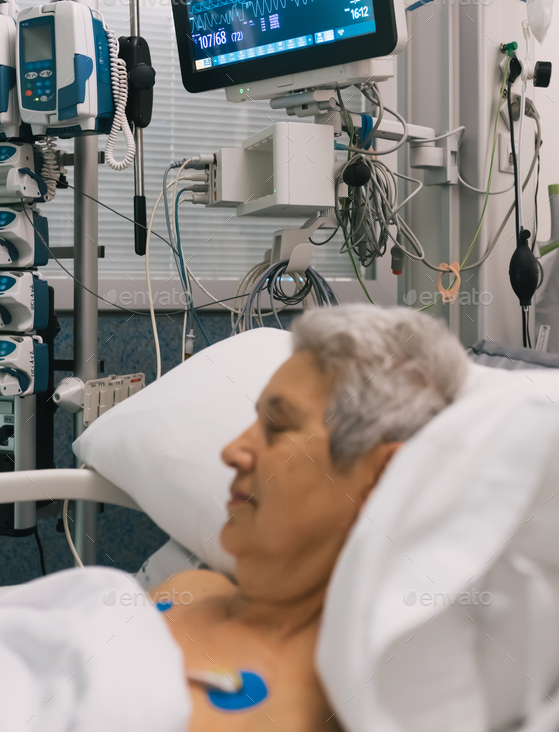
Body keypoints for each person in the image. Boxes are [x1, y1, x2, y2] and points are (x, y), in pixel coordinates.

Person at [158, 304, 469, 731]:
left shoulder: (329, 706)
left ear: (381, 476)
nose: (232, 451)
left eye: (278, 426)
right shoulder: (187, 588)